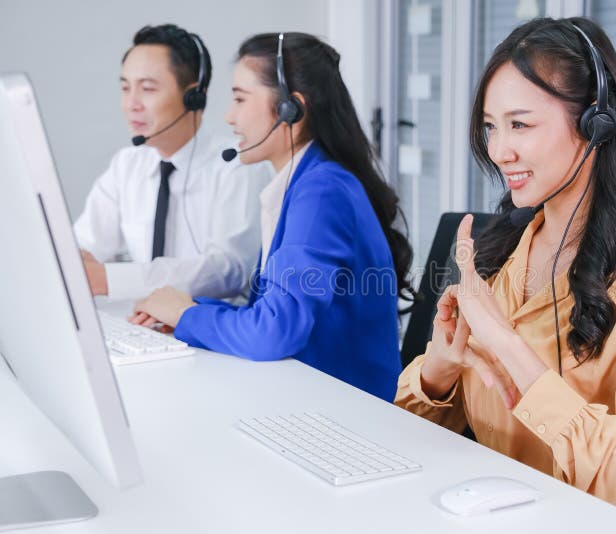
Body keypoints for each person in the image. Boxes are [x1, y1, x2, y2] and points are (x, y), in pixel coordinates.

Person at [394, 17, 616, 519]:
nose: (498, 150)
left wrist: (506, 343)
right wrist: (440, 371)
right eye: (491, 127)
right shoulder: (497, 257)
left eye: (520, 124)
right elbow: (411, 434)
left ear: (595, 125)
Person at [131, 33, 414, 402]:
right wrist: (189, 310)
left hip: (349, 415)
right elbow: (269, 313)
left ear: (289, 109)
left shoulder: (321, 192)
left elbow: (275, 332)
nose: (229, 117)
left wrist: (186, 316)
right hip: (312, 397)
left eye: (239, 99)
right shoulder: (305, 182)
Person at [74, 24, 268, 301]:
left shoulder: (237, 164)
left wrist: (109, 278)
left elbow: (229, 270)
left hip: (211, 334)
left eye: (147, 89)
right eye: (125, 88)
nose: (131, 104)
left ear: (193, 97)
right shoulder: (126, 165)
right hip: (144, 327)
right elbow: (84, 245)